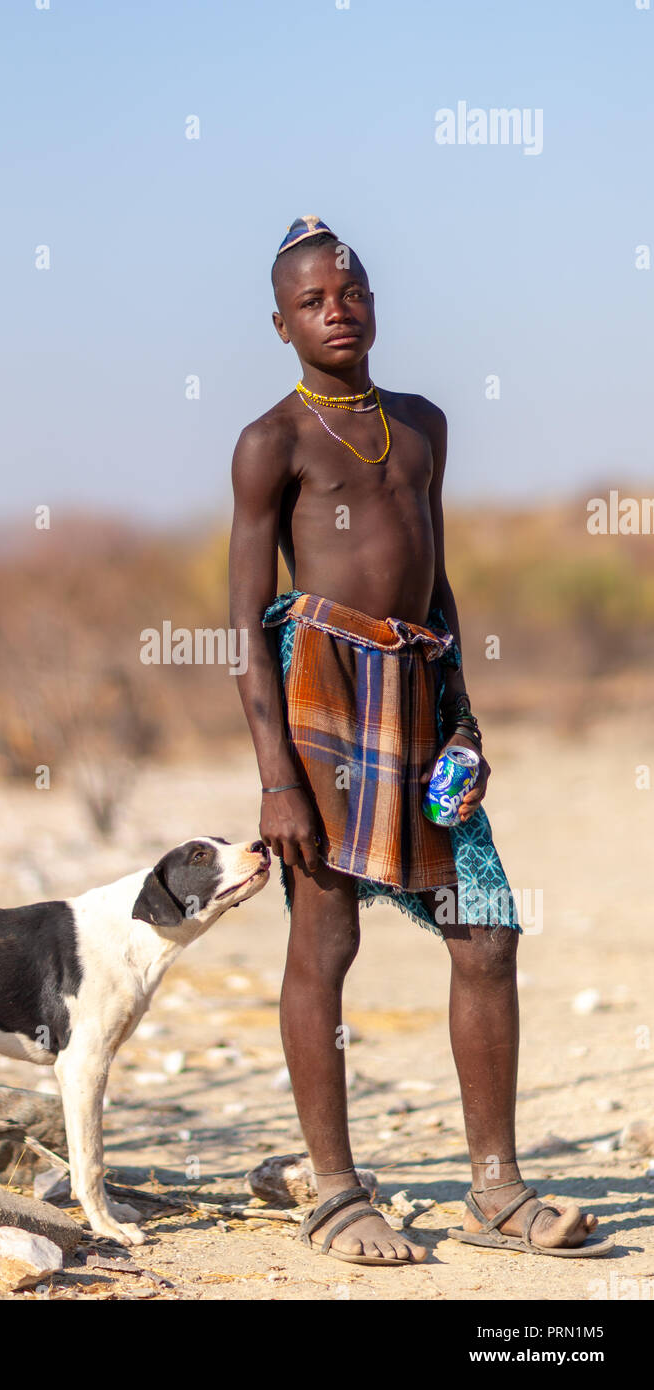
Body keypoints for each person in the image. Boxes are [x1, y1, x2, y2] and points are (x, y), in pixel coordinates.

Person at [228, 215, 610, 1264]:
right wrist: (276, 781)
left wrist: (464, 715)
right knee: (328, 938)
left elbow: (435, 581)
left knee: (484, 929)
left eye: (348, 293)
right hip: (322, 701)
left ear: (373, 302)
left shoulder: (424, 426)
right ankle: (337, 1191)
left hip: (421, 695)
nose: (335, 310)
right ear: (280, 322)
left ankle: (495, 1188)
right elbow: (244, 622)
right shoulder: (272, 443)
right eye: (310, 301)